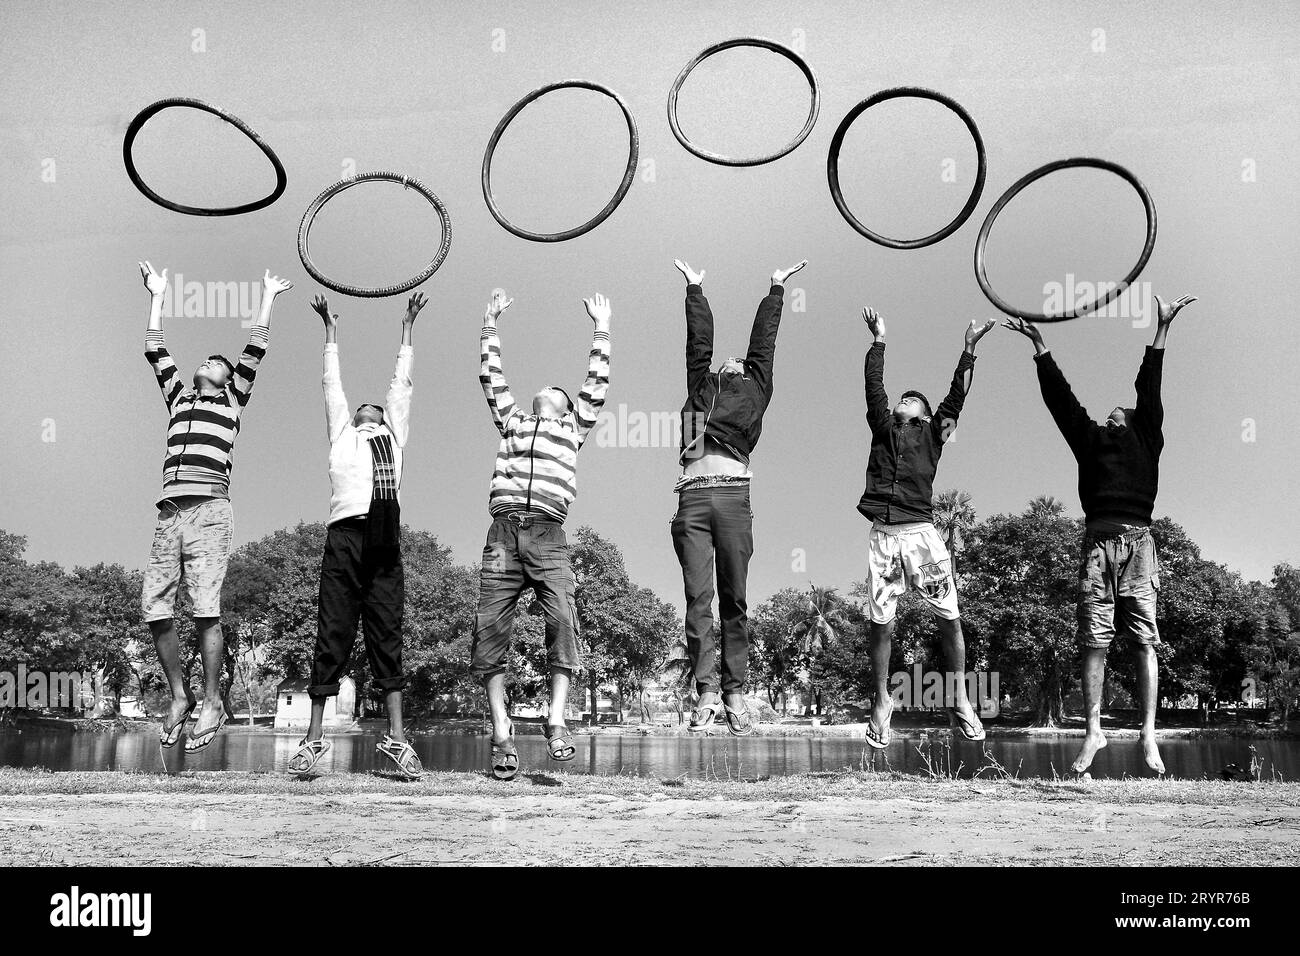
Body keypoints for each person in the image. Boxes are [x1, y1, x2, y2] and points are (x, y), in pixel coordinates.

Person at [1004, 293, 1197, 775]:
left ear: (1133, 422)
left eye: (1121, 411)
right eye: (1111, 411)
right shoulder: (1089, 441)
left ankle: (1148, 735)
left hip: (1139, 546)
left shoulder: (1147, 438)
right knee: (1093, 641)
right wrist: (1041, 348)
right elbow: (1062, 403)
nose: (1115, 413)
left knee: (1144, 642)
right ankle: (1094, 733)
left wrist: (1162, 331)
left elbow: (1149, 389)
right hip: (1098, 546)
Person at [139, 261, 293, 754]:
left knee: (205, 609)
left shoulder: (232, 403)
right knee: (154, 609)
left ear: (227, 379)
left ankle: (212, 700)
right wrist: (158, 294)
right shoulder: (180, 399)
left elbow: (256, 350)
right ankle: (180, 697)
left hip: (209, 511)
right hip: (170, 514)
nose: (203, 362)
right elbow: (154, 349)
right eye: (203, 360)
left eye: (213, 362)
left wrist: (267, 297)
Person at [471, 289, 611, 780]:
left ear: (567, 406)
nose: (547, 387)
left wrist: (601, 328)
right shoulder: (512, 420)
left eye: (557, 388)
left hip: (550, 534)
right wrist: (490, 325)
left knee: (563, 620)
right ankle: (502, 733)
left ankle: (555, 719)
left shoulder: (573, 427)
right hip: (503, 533)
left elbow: (597, 381)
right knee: (489, 629)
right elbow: (491, 375)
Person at [287, 292, 428, 779]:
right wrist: (330, 333)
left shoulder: (394, 436)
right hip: (343, 536)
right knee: (333, 633)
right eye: (362, 408)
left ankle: (397, 738)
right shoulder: (342, 435)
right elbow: (332, 386)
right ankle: (314, 739)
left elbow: (401, 387)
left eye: (378, 408)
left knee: (387, 634)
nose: (371, 407)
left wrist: (407, 329)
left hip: (384, 538)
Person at [670, 258, 807, 736]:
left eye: (740, 361)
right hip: (691, 498)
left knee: (734, 598)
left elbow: (763, 345)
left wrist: (775, 289)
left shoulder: (756, 387)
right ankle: (705, 691)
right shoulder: (702, 388)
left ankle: (735, 693)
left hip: (732, 496)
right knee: (697, 598)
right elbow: (697, 345)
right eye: (724, 360)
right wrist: (694, 290)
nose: (732, 359)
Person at [858, 306, 995, 748]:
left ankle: (959, 698)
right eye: (903, 396)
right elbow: (873, 386)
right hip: (884, 537)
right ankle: (881, 702)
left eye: (913, 397)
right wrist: (879, 340)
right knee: (881, 623)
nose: (905, 397)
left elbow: (958, 397)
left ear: (924, 412)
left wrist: (968, 350)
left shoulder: (936, 432)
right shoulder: (882, 427)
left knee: (949, 618)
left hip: (922, 536)